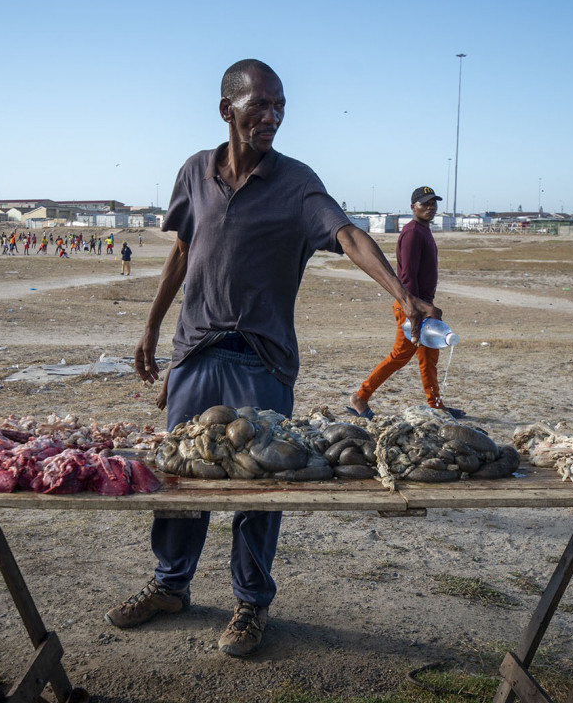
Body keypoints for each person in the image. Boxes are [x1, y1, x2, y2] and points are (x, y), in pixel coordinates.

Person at [105, 59, 438, 657]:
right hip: (196, 352)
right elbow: (184, 250)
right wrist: (152, 327)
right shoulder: (193, 173)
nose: (273, 116)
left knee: (263, 482)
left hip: (264, 360)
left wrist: (402, 293)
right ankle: (169, 586)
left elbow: (349, 235)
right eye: (260, 104)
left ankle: (250, 605)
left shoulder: (295, 182)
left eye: (280, 106)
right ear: (226, 108)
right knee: (181, 475)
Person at [348, 185, 463, 418]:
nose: (430, 207)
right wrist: (417, 309)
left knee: (430, 356)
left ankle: (436, 405)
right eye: (425, 203)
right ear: (413, 207)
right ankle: (360, 397)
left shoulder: (423, 230)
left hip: (423, 307)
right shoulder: (412, 233)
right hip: (411, 306)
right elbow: (407, 278)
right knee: (400, 355)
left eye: (433, 203)